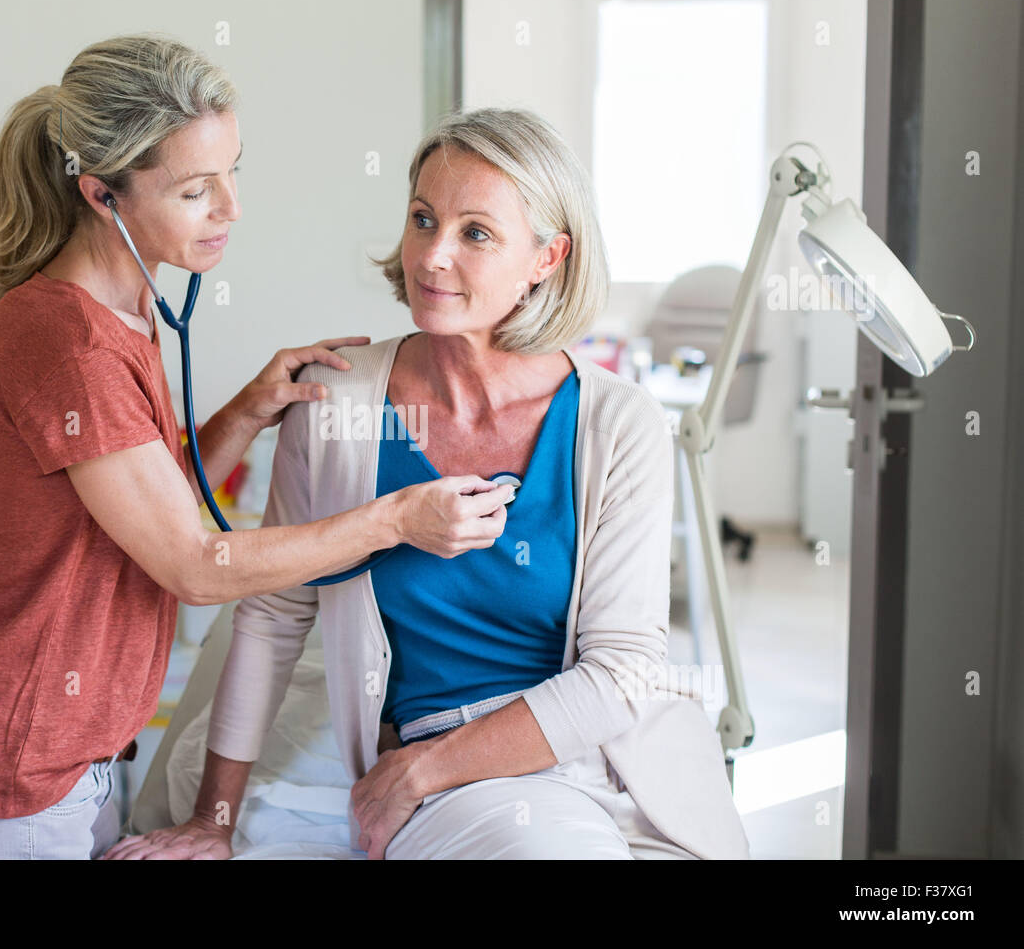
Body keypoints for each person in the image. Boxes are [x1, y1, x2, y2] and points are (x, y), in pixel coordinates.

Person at [0, 34, 513, 860]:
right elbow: (190, 563)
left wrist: (248, 410)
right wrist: (395, 520)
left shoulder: (126, 308)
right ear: (101, 195)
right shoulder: (66, 342)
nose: (231, 207)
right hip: (9, 778)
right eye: (195, 190)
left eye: (233, 172)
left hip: (76, 761)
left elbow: (142, 499)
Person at [106, 107, 750, 860]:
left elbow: (621, 672)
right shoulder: (336, 399)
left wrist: (423, 772)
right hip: (410, 762)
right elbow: (274, 617)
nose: (432, 255)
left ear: (547, 258)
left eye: (476, 233)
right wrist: (210, 823)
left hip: (543, 763)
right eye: (422, 219)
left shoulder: (619, 425)